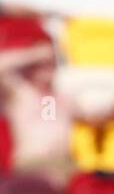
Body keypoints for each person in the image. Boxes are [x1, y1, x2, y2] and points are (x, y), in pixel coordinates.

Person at [0, 40, 77, 183]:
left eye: (51, 63)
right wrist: (34, 54)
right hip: (33, 167)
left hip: (66, 166)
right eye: (41, 64)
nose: (46, 67)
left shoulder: (63, 96)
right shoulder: (20, 92)